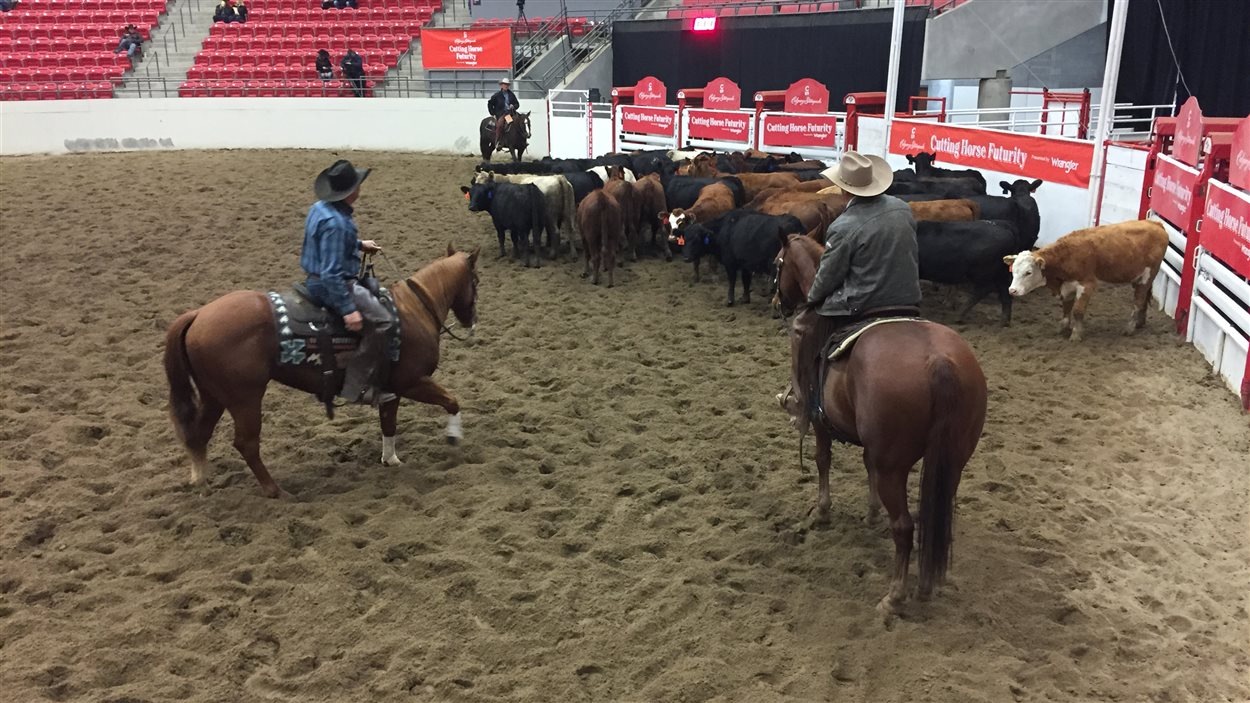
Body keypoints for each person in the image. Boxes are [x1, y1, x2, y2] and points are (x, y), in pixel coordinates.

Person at [781, 151, 922, 434]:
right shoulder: (902, 209)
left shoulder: (844, 225)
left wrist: (812, 297)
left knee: (801, 327)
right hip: (908, 298)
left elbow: (827, 277)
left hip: (861, 303)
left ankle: (801, 397)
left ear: (844, 188)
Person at [300, 160, 396, 406]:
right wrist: (348, 309)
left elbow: (325, 243)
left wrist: (358, 244)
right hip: (331, 284)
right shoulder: (338, 225)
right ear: (352, 191)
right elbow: (331, 274)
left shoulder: (319, 208)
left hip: (313, 277)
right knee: (384, 322)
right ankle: (357, 388)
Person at [487, 78, 520, 146]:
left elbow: (517, 104)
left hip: (511, 113)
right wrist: (492, 113)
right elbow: (490, 103)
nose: (506, 86)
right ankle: (498, 141)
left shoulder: (511, 94)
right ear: (501, 85)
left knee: (520, 122)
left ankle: (521, 141)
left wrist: (513, 106)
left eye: (507, 84)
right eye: (505, 84)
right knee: (501, 125)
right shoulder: (497, 95)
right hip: (501, 114)